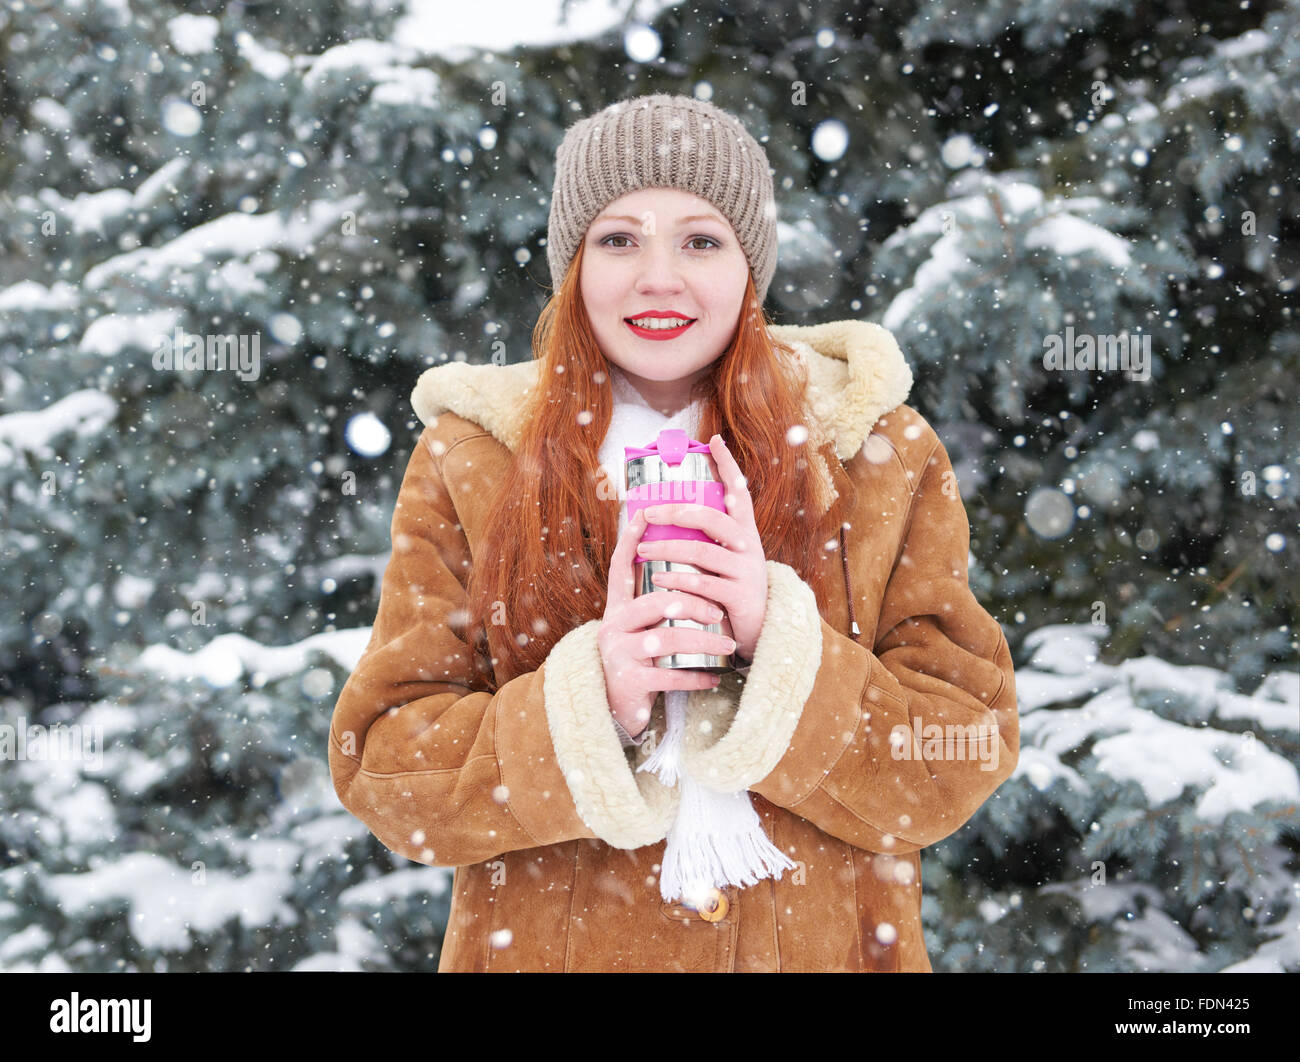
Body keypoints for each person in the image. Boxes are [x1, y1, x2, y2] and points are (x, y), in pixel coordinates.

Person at [327, 93, 1019, 972]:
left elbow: (961, 751)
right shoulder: (475, 463)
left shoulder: (878, 453)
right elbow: (386, 766)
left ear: (749, 267)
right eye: (618, 239)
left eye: (701, 239)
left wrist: (780, 642)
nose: (659, 277)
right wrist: (590, 702)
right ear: (573, 263)